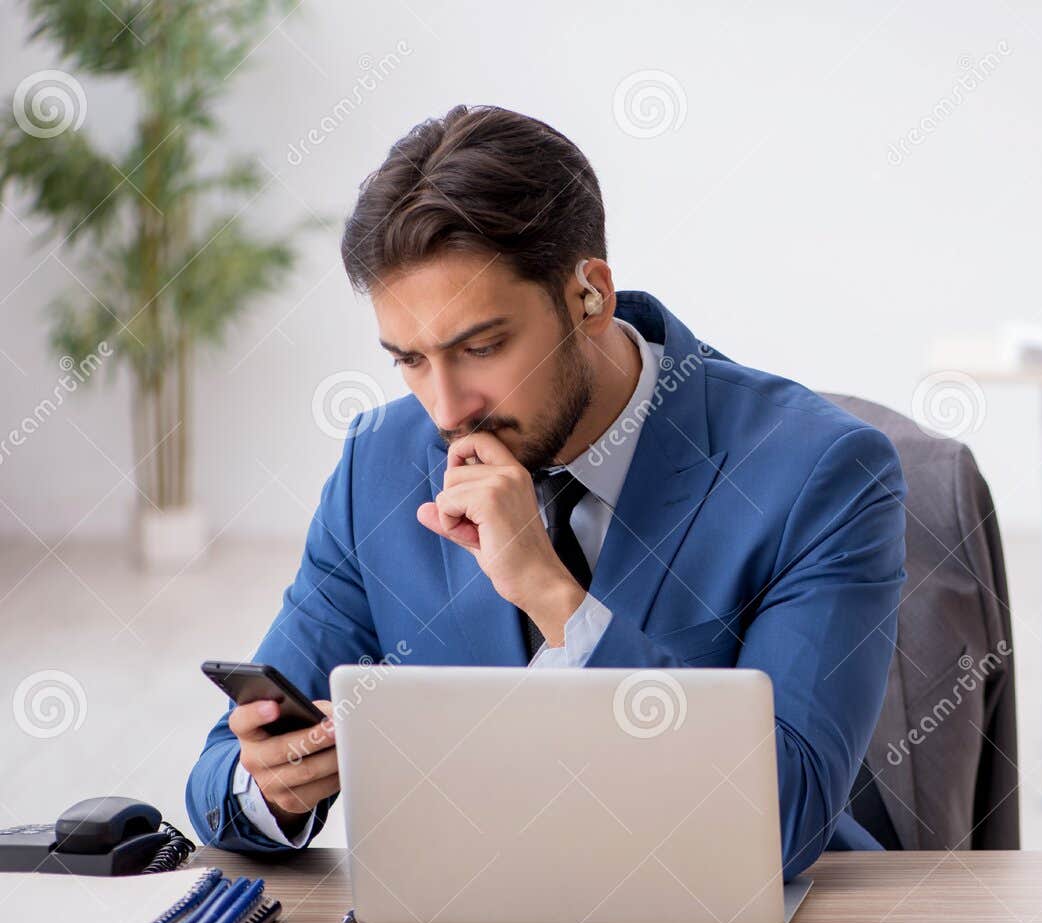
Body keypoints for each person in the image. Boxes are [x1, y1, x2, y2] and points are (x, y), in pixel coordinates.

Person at [185, 105, 907, 878]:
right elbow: (219, 774)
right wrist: (276, 784)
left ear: (590, 295)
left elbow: (784, 820)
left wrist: (551, 596)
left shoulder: (823, 473)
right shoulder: (379, 465)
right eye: (409, 359)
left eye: (481, 347)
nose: (446, 406)